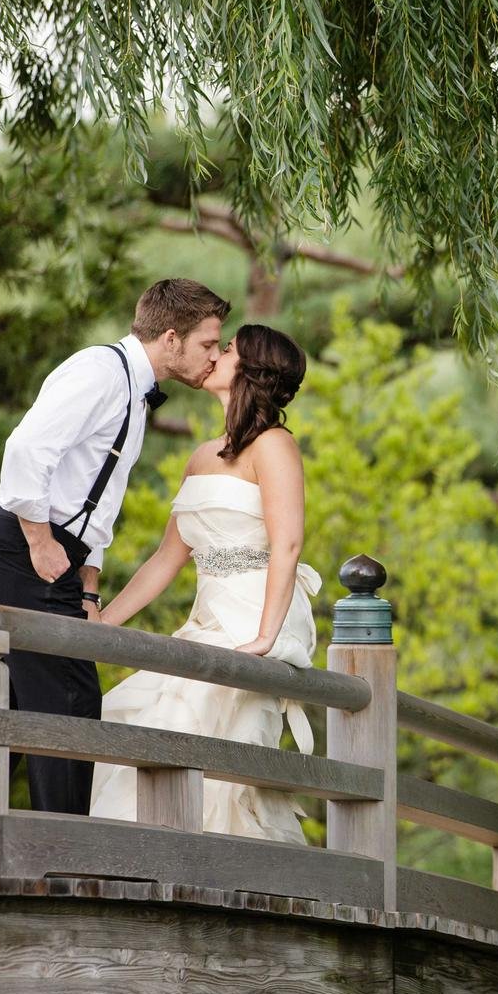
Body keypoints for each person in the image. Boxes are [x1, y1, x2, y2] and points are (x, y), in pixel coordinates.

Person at [0, 278, 231, 814]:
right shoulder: (100, 372)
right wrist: (39, 542)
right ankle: (62, 868)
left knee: (18, 707)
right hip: (23, 549)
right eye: (208, 344)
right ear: (172, 339)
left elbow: (98, 504)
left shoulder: (134, 391)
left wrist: (89, 590)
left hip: (55, 557)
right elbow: (25, 450)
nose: (213, 357)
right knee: (68, 703)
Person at [88, 323, 319, 843]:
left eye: (228, 349)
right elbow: (166, 561)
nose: (215, 355)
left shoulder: (275, 445)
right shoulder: (201, 457)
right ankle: (143, 852)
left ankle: (210, 858)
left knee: (200, 719)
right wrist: (103, 624)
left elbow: (288, 544)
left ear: (252, 370)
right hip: (210, 618)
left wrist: (264, 635)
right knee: (145, 712)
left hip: (261, 611)